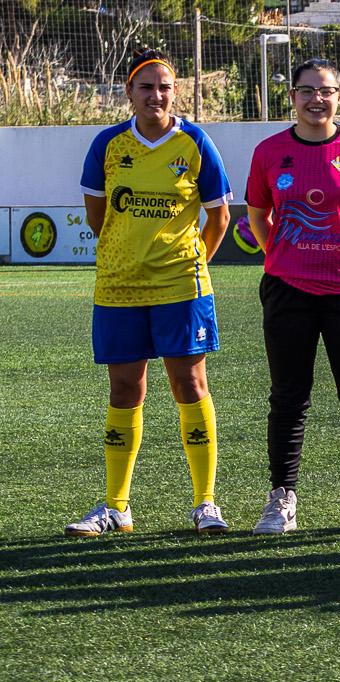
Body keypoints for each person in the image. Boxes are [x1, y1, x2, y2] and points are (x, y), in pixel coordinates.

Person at [66, 50, 235, 537]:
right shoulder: (108, 145)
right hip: (118, 287)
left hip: (181, 286)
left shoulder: (195, 142)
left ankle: (206, 503)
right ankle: (116, 506)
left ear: (174, 90)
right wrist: (129, 253)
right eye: (146, 86)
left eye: (164, 86)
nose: (156, 95)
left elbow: (219, 217)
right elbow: (99, 218)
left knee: (189, 385)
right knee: (125, 389)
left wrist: (187, 261)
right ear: (129, 93)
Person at [243, 59, 340, 535]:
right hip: (288, 290)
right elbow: (259, 216)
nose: (315, 99)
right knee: (288, 397)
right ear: (292, 97)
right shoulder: (269, 152)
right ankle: (281, 498)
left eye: (325, 91)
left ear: (339, 96)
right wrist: (282, 259)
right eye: (306, 90)